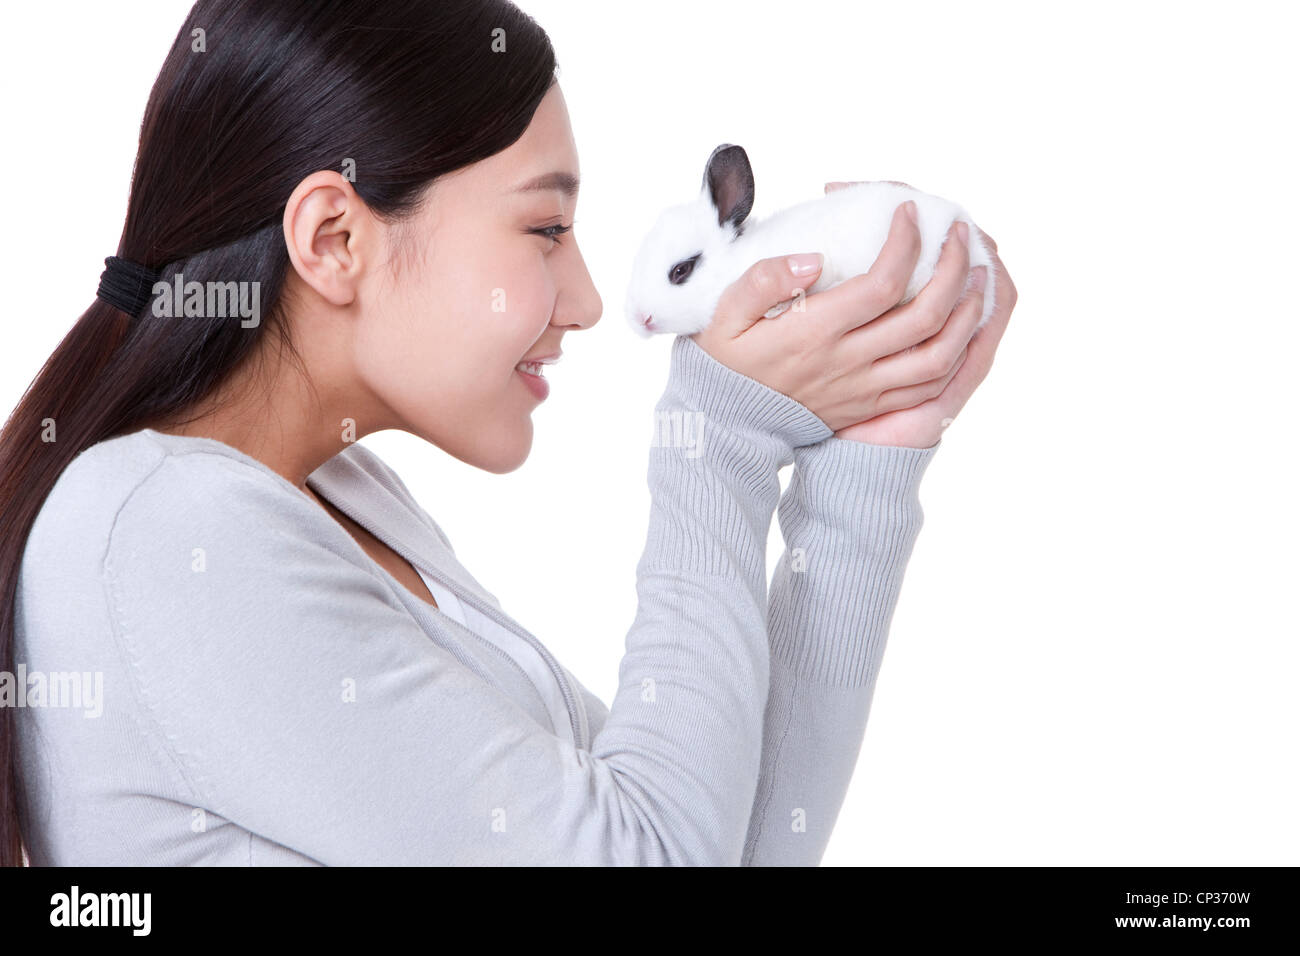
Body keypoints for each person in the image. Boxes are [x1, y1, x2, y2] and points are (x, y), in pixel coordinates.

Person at [0, 0, 1016, 866]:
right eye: (543, 229)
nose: (581, 301)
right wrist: (717, 433)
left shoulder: (338, 497)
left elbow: (722, 838)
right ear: (334, 238)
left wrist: (863, 465)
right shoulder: (168, 536)